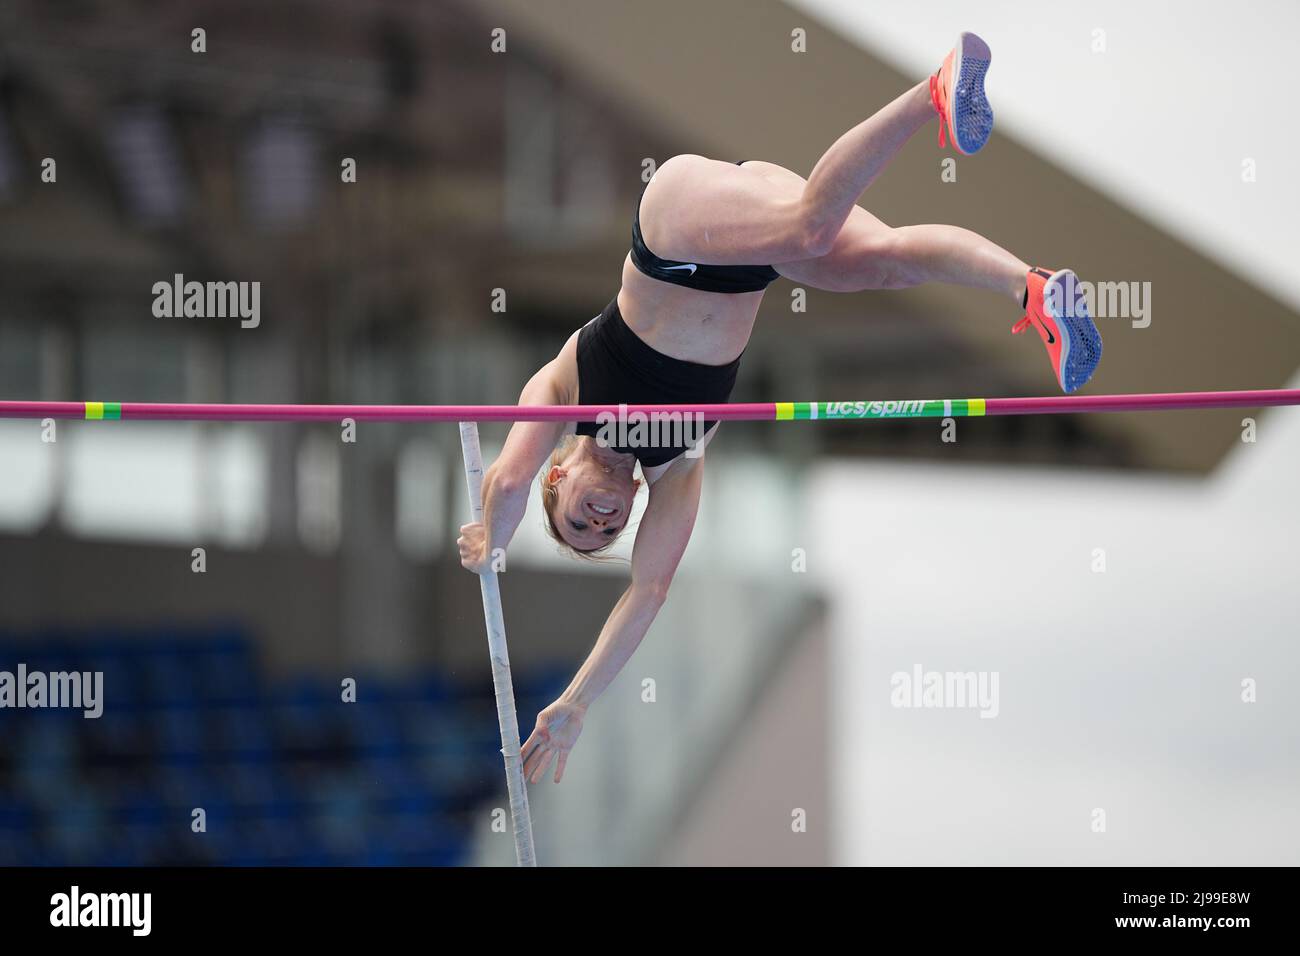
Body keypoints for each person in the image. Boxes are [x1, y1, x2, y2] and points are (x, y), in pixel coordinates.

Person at [457, 32, 1101, 784]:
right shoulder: (676, 466)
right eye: (607, 529)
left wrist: (490, 540)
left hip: (677, 227)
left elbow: (505, 482)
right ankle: (1033, 289)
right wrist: (575, 705)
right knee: (887, 262)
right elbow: (649, 592)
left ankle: (936, 91)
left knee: (811, 226)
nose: (600, 521)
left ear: (560, 477)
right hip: (744, 259)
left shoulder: (561, 390)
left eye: (575, 518)